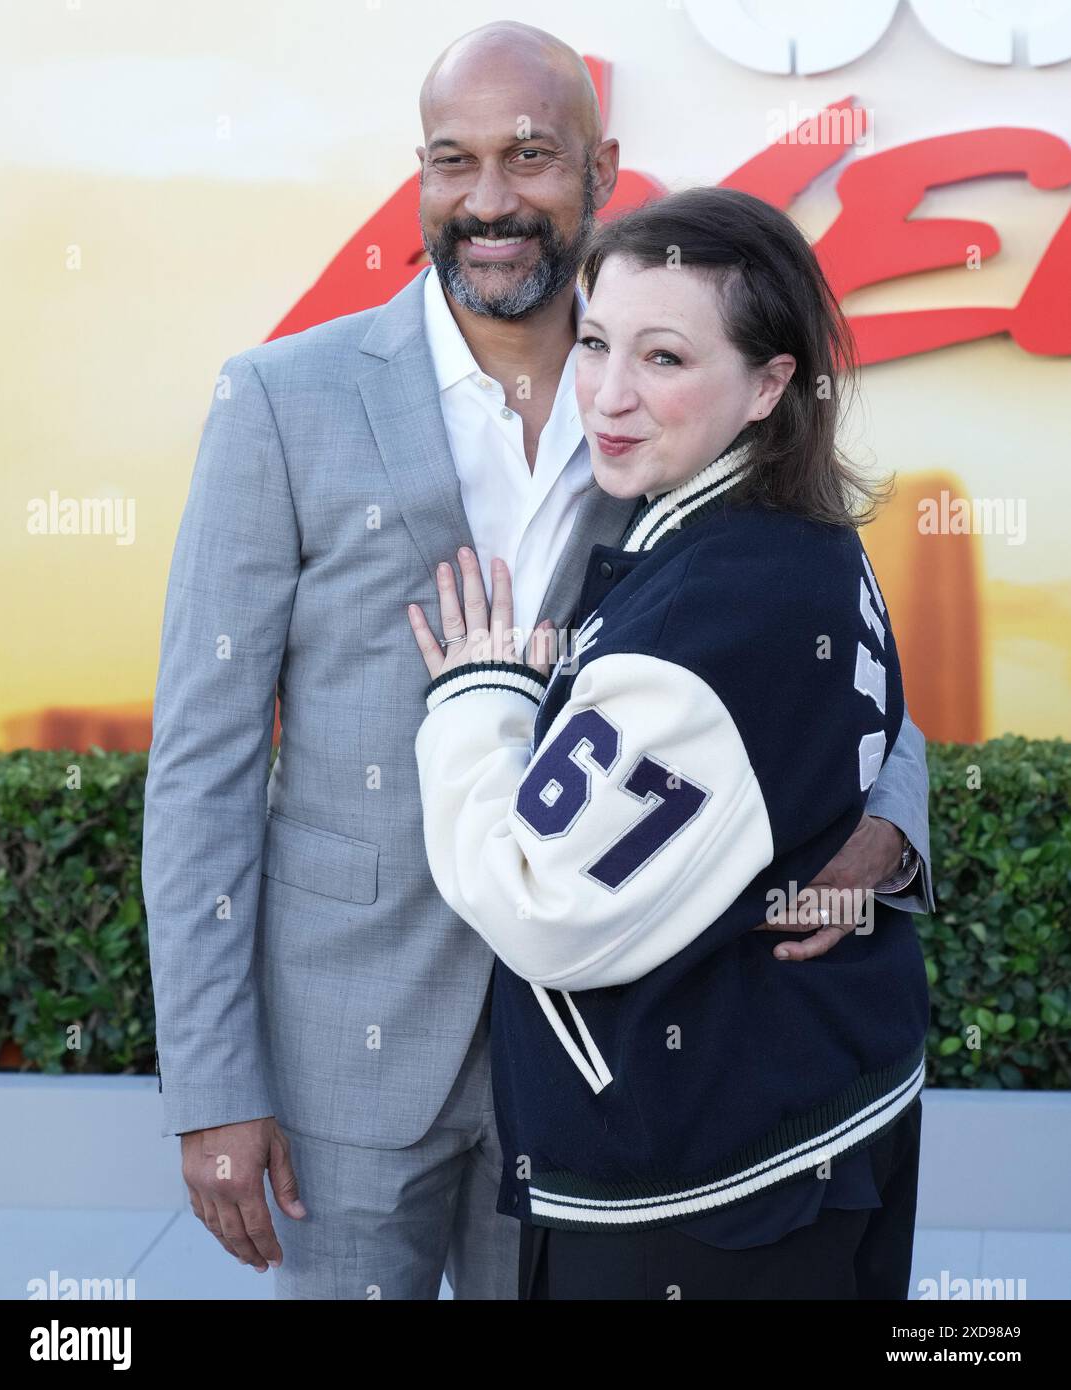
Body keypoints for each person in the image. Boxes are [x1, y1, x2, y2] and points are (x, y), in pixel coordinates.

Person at [142, 20, 931, 1301]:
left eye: (530, 156)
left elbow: (831, 644)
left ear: (602, 170)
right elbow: (203, 763)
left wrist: (886, 833)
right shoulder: (280, 401)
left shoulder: (672, 380)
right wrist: (213, 1083)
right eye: (453, 162)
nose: (490, 199)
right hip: (353, 1057)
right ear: (418, 176)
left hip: (615, 1065)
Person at [409, 185, 931, 1300]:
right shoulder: (799, 534)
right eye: (594, 342)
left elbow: (539, 900)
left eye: (662, 359)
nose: (604, 394)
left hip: (706, 1190)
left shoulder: (713, 608)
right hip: (814, 1124)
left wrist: (475, 696)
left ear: (769, 382)